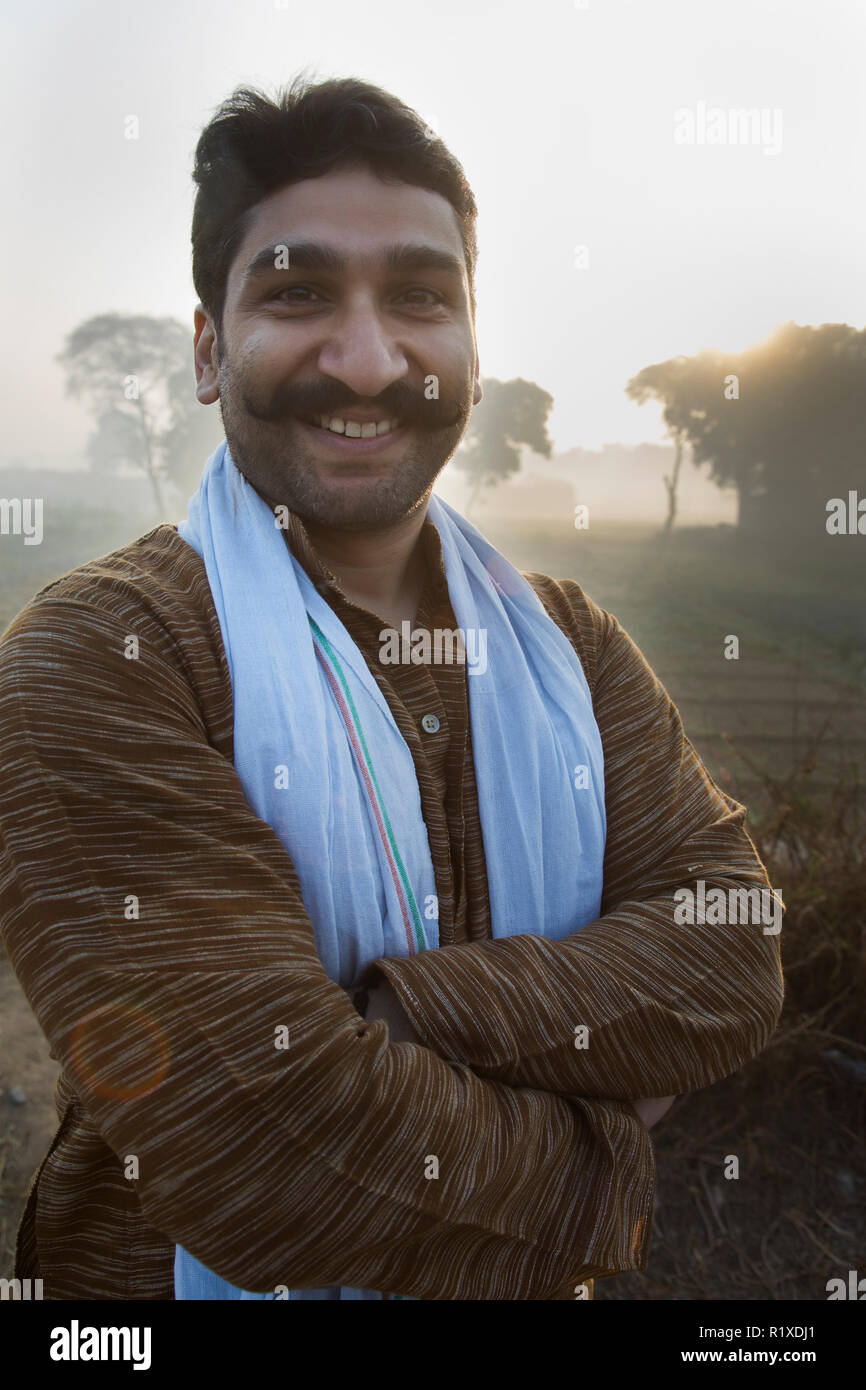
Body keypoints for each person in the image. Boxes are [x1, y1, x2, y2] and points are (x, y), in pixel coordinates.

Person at [0, 75, 783, 1301]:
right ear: (209, 349)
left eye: (419, 296)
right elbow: (268, 1159)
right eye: (296, 291)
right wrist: (608, 1154)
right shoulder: (108, 654)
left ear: (471, 344)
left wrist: (392, 1020)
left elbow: (730, 952)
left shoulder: (569, 643)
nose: (368, 359)